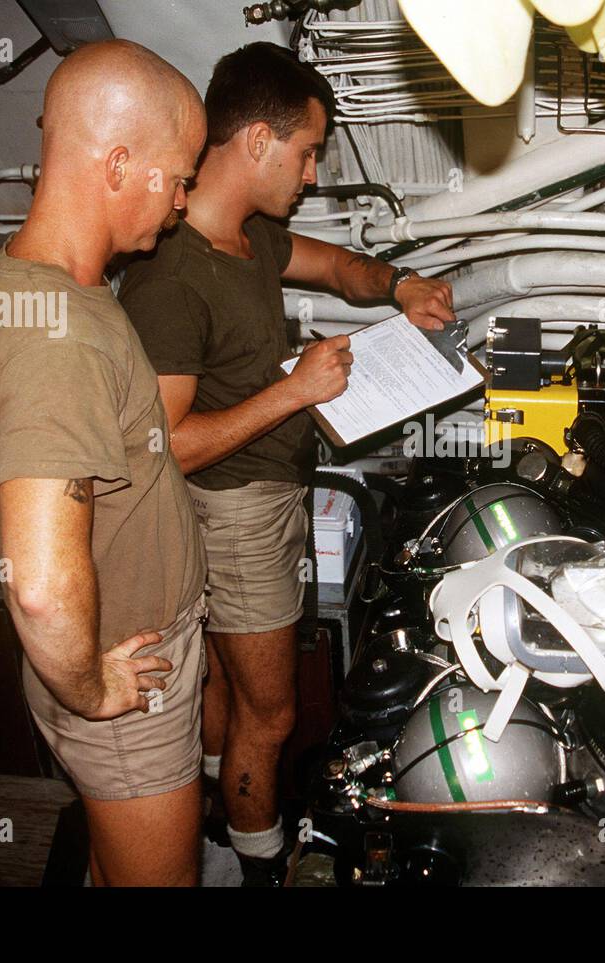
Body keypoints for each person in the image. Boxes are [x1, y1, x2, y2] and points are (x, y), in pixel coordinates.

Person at [118, 41, 454, 885]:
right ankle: (265, 862)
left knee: (230, 700)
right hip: (233, 515)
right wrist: (296, 391)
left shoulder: (249, 237)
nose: (310, 173)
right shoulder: (170, 278)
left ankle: (211, 815)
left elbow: (339, 267)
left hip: (264, 499)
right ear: (257, 143)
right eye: (306, 152)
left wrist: (400, 283)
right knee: (270, 716)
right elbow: (167, 443)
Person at [0, 40, 209, 886]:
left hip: (111, 660)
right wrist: (92, 692)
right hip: (121, 682)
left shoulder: (43, 284)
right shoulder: (55, 334)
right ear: (116, 164)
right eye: (176, 178)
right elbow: (39, 582)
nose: (180, 204)